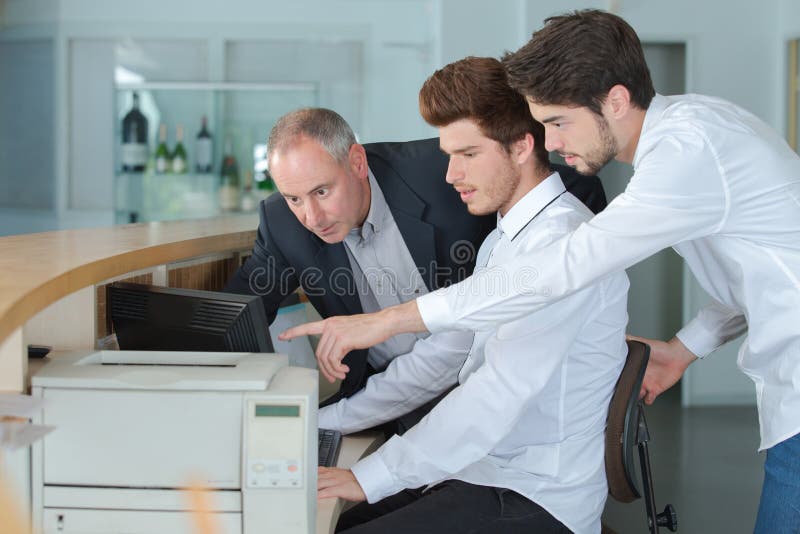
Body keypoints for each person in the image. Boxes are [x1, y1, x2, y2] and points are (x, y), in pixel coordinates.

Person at [281, 10, 800, 532]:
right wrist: (688, 347)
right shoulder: (687, 144)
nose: (551, 142)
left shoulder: (679, 158)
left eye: (557, 122)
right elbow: (758, 274)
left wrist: (389, 321)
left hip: (536, 489)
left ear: (615, 101)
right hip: (499, 472)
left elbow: (561, 271)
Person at [312, 56, 629, 534]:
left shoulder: (560, 245)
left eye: (469, 154)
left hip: (537, 495)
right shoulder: (504, 240)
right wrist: (329, 422)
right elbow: (446, 352)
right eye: (448, 155)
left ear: (522, 146)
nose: (450, 174)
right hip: (486, 472)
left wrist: (370, 475)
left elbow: (494, 394)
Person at [225, 107, 607, 419]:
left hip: (486, 389)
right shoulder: (282, 222)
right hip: (387, 406)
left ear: (356, 162)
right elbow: (238, 311)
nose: (311, 216)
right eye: (294, 199)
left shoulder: (440, 171)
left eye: (322, 192)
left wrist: (576, 308)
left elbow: (575, 187)